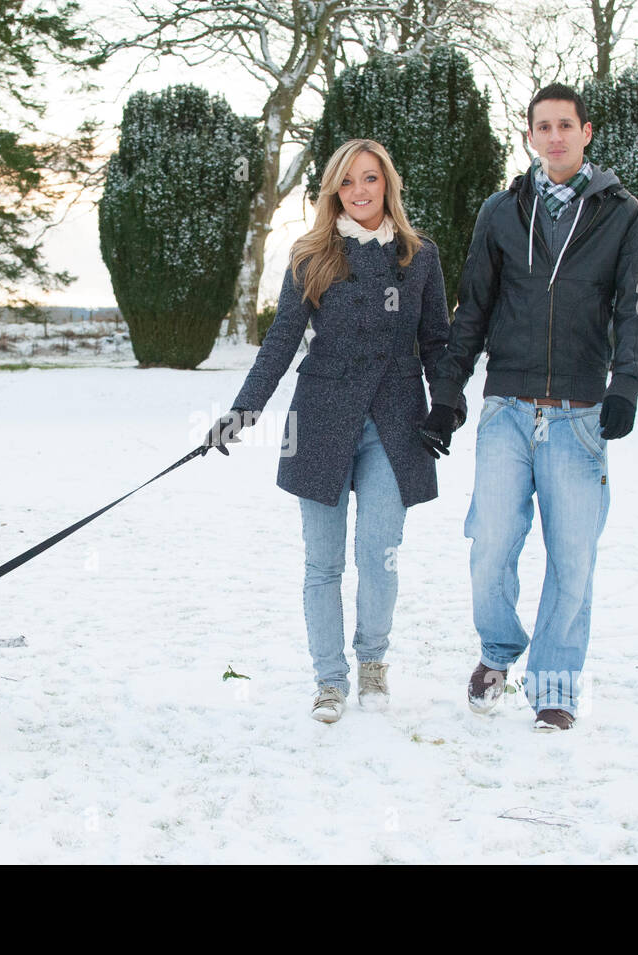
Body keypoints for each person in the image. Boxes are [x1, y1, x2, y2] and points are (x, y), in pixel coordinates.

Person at [419, 83, 638, 732]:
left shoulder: (619, 214)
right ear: (528, 136)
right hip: (507, 412)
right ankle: (498, 652)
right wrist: (447, 395)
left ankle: (554, 684)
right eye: (542, 127)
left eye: (565, 126)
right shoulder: (502, 211)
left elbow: (635, 307)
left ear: (586, 133)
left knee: (573, 558)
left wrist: (626, 385)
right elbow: (472, 313)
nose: (554, 136)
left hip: (579, 416)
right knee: (490, 544)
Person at [204, 139, 452, 723]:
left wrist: (447, 404)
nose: (360, 191)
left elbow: (438, 341)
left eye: (370, 179)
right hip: (320, 421)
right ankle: (329, 680)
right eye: (347, 182)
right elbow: (282, 341)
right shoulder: (312, 254)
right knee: (322, 563)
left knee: (379, 554)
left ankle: (372, 663)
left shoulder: (420, 258)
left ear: (387, 183)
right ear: (333, 191)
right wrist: (243, 411)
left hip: (396, 423)